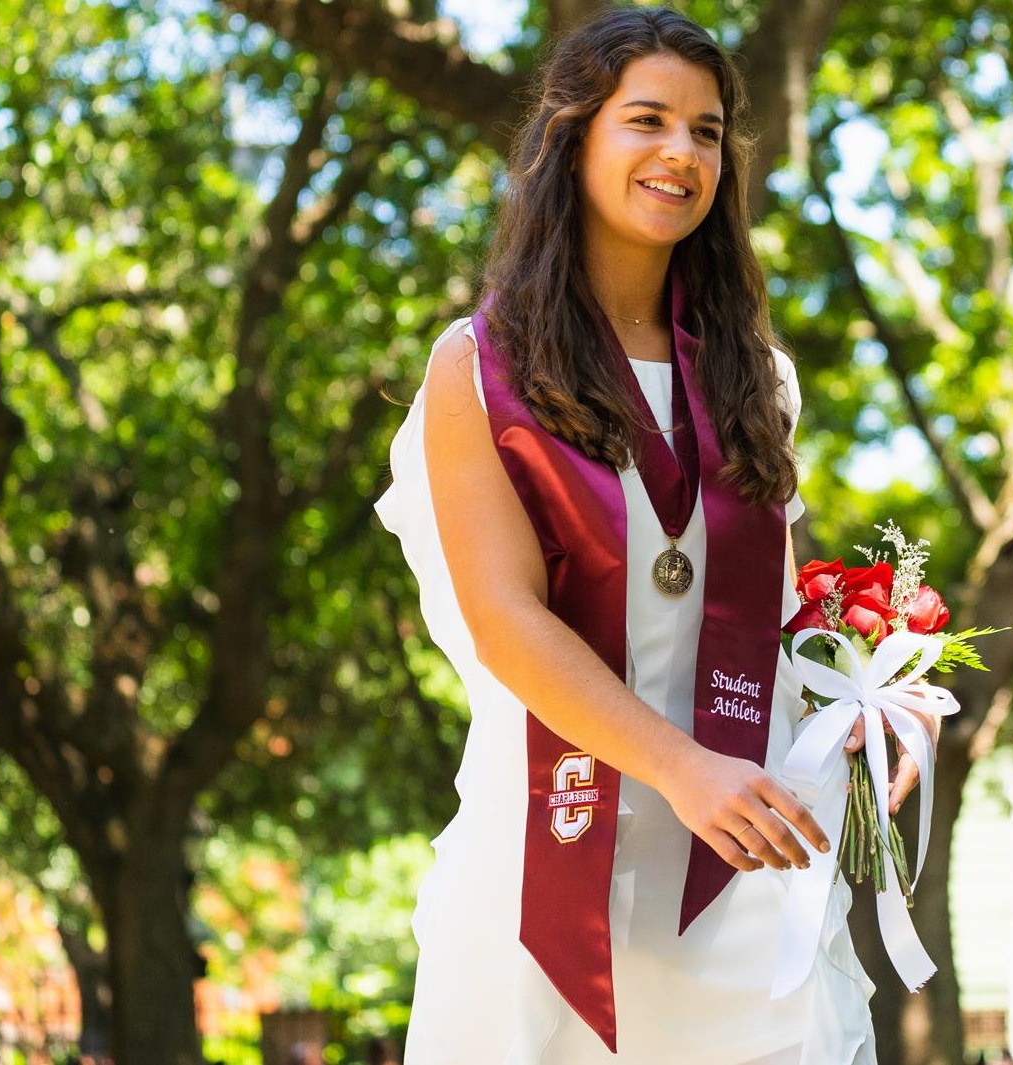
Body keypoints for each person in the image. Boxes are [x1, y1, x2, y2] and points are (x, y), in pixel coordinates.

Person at [377, 6, 935, 1063]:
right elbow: (505, 622)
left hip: (736, 864)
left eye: (708, 131)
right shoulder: (477, 369)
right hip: (551, 853)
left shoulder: (755, 378)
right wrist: (680, 768)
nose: (681, 152)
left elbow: (772, 613)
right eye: (648, 120)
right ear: (573, 135)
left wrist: (871, 695)